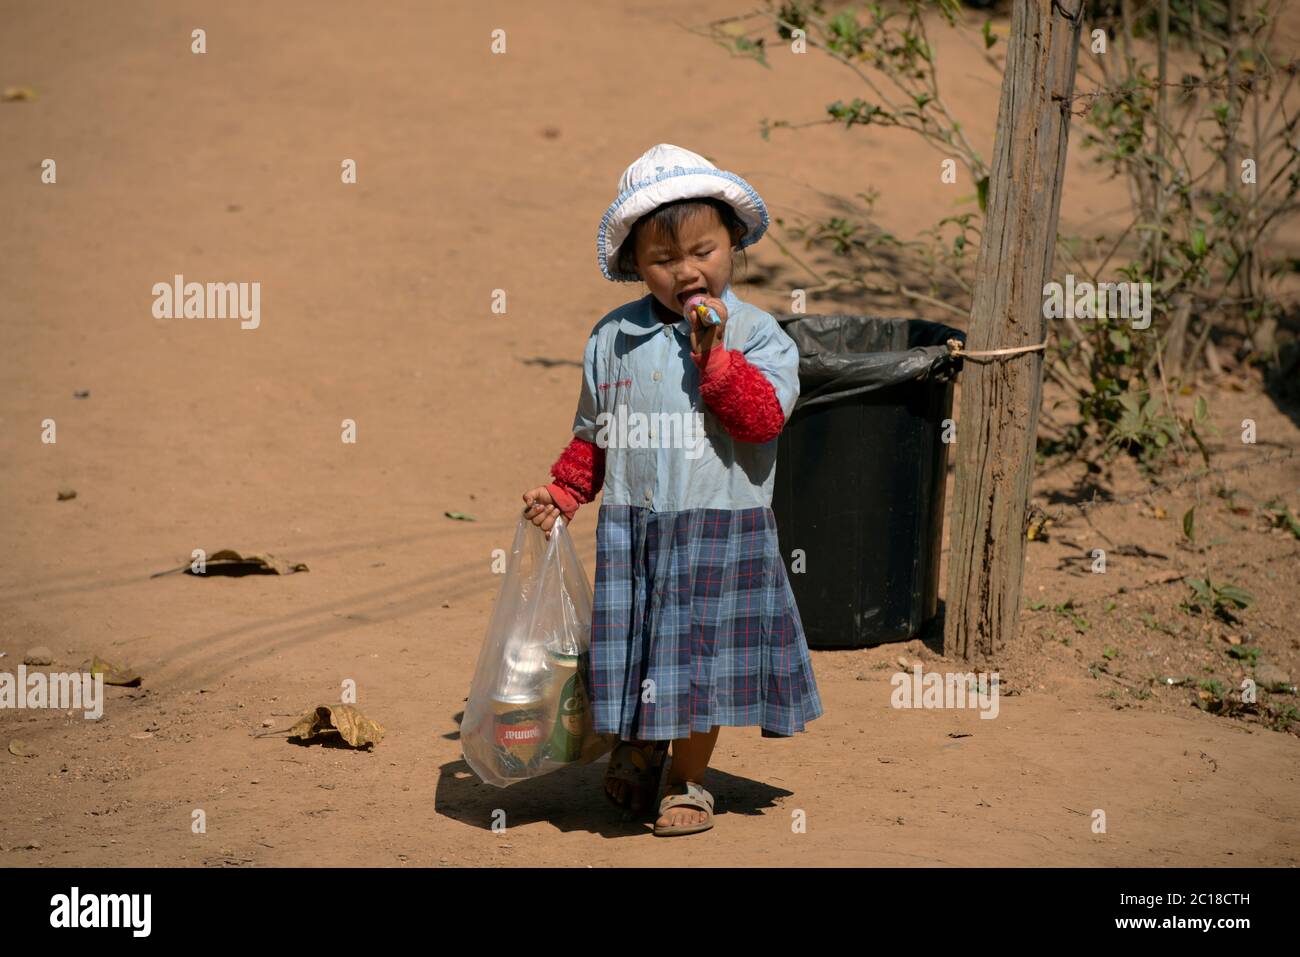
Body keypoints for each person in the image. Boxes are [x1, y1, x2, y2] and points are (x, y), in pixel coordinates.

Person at [521, 143, 823, 837]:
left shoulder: (761, 337)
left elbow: (761, 419)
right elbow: (594, 434)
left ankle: (689, 779)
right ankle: (638, 743)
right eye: (663, 259)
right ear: (635, 266)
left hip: (722, 531)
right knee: (640, 654)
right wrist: (565, 492)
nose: (687, 270)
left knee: (702, 665)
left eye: (704, 249)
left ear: (734, 244)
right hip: (639, 530)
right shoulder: (612, 340)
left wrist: (715, 359)